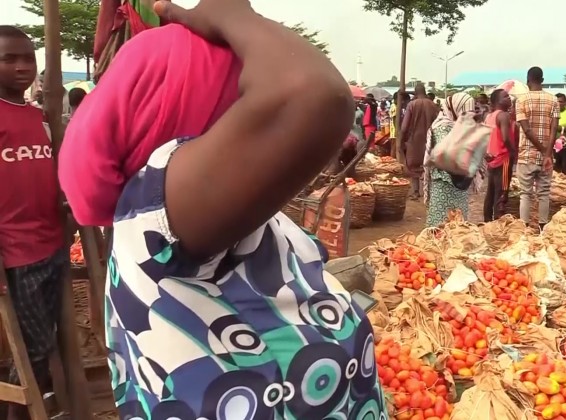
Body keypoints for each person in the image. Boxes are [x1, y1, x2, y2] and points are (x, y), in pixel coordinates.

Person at [59, 5, 385, 418]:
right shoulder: (157, 209)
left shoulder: (214, 213)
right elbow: (318, 94)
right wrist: (233, 14)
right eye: (242, 98)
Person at [0, 26, 65, 416]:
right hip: (17, 253)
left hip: (51, 243)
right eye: (10, 59)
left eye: (29, 58)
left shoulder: (37, 115)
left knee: (43, 346)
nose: (23, 66)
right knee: (31, 350)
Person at [516, 67, 559, 228]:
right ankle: (542, 227)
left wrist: (541, 149)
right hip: (546, 157)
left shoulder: (521, 100)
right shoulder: (553, 100)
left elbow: (526, 129)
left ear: (528, 80)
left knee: (525, 193)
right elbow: (554, 128)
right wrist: (547, 153)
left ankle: (524, 229)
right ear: (542, 80)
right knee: (544, 193)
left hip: (527, 154)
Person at [424, 93, 474, 226]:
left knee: (457, 228)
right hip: (446, 183)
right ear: (456, 109)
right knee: (442, 227)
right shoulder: (443, 127)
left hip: (456, 183)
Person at [401, 83, 439, 199]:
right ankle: (430, 192)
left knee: (413, 166)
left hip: (414, 139)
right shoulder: (433, 105)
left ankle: (416, 191)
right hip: (430, 139)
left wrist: (401, 140)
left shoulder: (412, 105)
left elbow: (404, 127)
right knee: (428, 165)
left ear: (416, 93)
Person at [484, 89, 514, 221]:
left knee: (490, 192)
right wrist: (514, 152)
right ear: (497, 101)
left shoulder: (489, 116)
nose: (509, 98)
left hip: (492, 158)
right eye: (506, 97)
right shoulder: (503, 116)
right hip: (503, 158)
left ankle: (487, 220)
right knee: (501, 192)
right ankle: (498, 222)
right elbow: (506, 137)